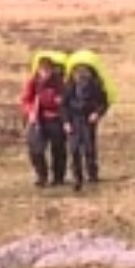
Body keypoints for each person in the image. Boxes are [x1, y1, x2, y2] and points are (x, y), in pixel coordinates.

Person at [62, 62, 109, 191]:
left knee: (89, 149)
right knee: (74, 150)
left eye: (83, 73)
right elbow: (63, 106)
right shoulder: (68, 86)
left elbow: (103, 103)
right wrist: (66, 122)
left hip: (88, 120)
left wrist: (97, 113)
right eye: (77, 73)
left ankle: (92, 175)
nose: (80, 75)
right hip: (73, 120)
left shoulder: (96, 86)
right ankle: (77, 177)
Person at [20, 55, 66, 187]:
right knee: (35, 149)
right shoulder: (32, 82)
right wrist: (30, 111)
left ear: (52, 70)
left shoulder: (59, 82)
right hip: (37, 119)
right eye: (42, 70)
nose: (45, 73)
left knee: (58, 148)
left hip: (55, 118)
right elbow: (25, 100)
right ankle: (42, 176)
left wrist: (60, 102)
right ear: (38, 70)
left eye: (48, 70)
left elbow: (66, 98)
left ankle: (58, 177)